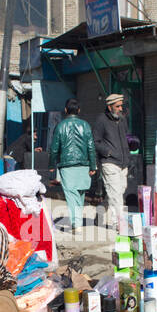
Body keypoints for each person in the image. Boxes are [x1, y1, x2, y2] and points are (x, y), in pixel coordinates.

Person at [48, 98, 97, 231]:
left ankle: (76, 224)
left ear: (65, 110)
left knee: (71, 194)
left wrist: (51, 164)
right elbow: (91, 147)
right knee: (79, 194)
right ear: (79, 110)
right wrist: (93, 165)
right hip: (83, 164)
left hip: (67, 165)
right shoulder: (85, 125)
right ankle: (78, 221)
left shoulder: (60, 126)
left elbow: (54, 148)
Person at [93, 92, 132, 234]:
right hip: (109, 162)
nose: (121, 108)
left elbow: (125, 138)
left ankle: (100, 213)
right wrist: (107, 152)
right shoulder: (101, 121)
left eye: (121, 105)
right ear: (110, 107)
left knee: (117, 191)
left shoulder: (122, 120)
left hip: (123, 163)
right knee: (116, 195)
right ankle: (119, 225)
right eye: (118, 106)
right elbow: (95, 141)